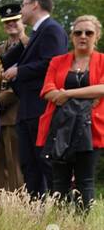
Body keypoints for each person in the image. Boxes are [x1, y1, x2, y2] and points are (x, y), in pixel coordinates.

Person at [1, 0, 68, 199]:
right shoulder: (39, 33)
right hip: (28, 109)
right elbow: (7, 60)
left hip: (42, 109)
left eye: (23, 4)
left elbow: (52, 63)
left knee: (45, 161)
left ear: (35, 5)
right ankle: (35, 209)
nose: (21, 9)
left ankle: (62, 207)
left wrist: (19, 70)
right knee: (30, 163)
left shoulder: (52, 29)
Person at [37, 15, 104, 211]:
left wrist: (66, 93)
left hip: (91, 128)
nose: (83, 36)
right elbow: (48, 91)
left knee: (85, 180)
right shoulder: (58, 61)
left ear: (97, 36)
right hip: (61, 128)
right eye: (78, 32)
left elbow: (102, 89)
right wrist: (86, 94)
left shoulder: (102, 61)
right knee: (60, 182)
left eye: (88, 33)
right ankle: (62, 225)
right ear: (72, 36)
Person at [0, 1, 25, 191]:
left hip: (17, 113)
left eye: (15, 20)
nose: (11, 25)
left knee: (15, 163)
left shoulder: (31, 47)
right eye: (7, 22)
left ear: (23, 20)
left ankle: (20, 205)